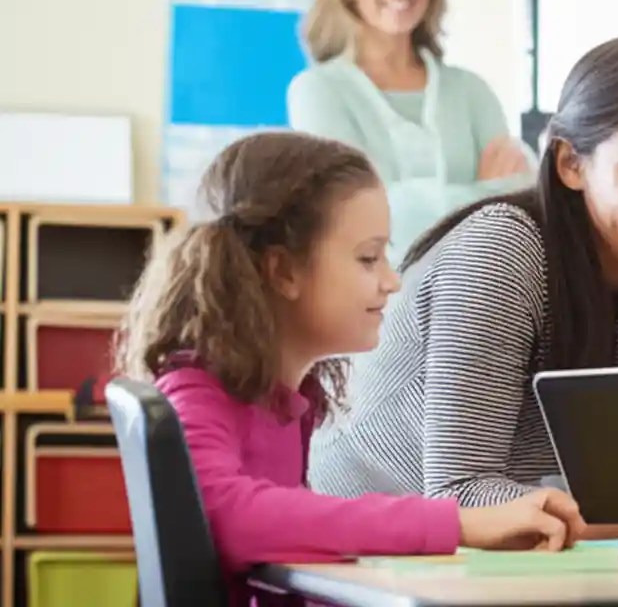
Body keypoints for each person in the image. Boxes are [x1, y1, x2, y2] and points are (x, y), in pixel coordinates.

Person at [309, 34, 618, 538]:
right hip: (364, 555)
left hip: (506, 562)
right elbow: (461, 492)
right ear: (571, 164)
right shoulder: (503, 250)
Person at [115, 131, 584, 605]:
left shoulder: (285, 396)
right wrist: (457, 523)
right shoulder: (197, 388)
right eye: (368, 258)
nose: (391, 280)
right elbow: (225, 516)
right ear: (283, 272)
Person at [288, 0, 532, 266]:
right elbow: (356, 218)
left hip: (476, 297)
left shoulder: (471, 91)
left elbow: (522, 207)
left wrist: (406, 202)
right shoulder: (317, 92)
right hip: (372, 313)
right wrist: (483, 194)